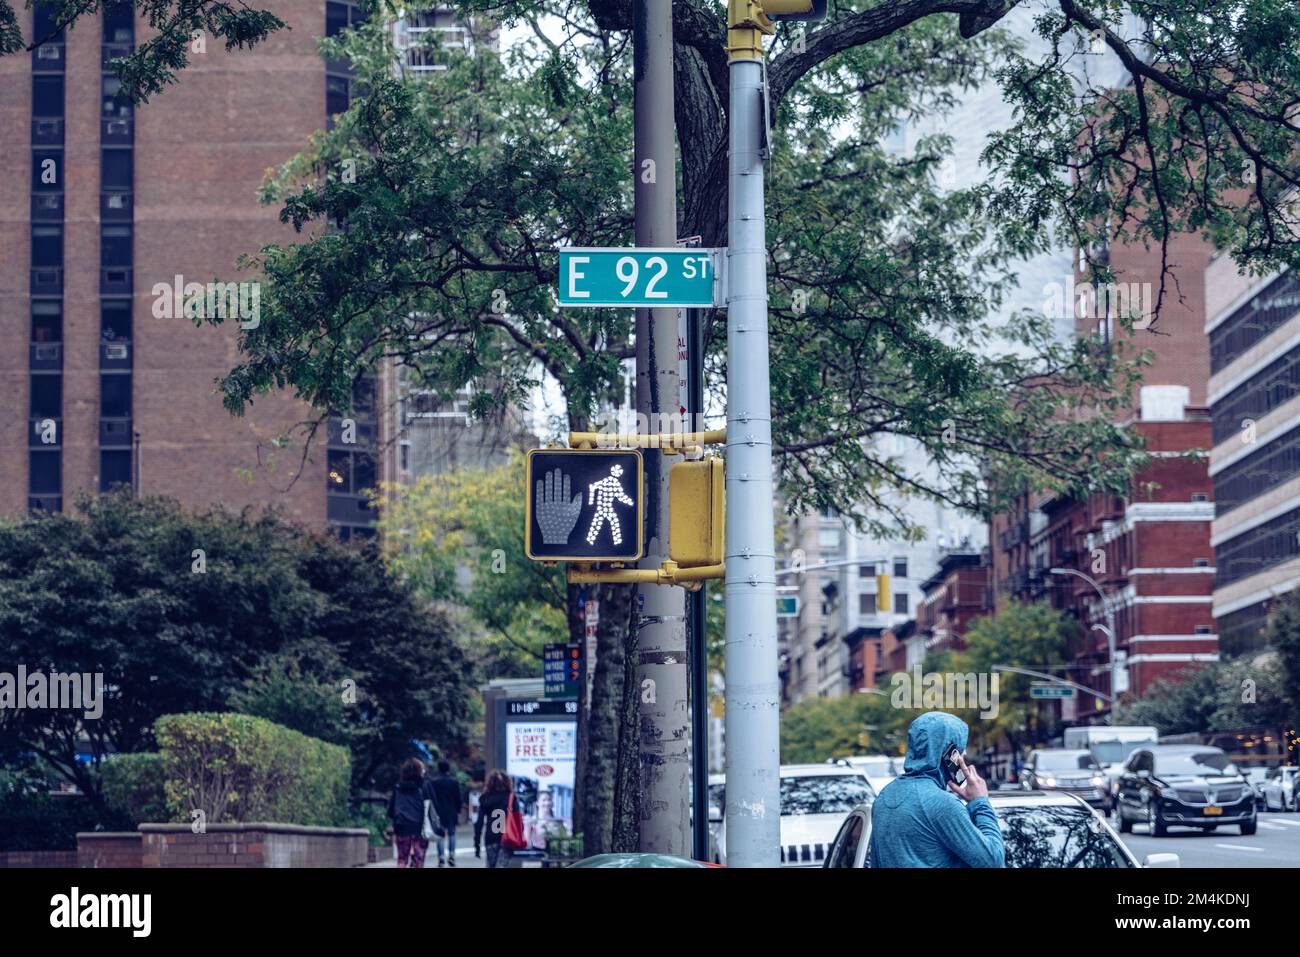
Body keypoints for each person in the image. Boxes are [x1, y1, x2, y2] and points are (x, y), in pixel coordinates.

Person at [867, 711, 1005, 868]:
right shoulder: (943, 805)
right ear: (950, 754)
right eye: (961, 749)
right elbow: (993, 861)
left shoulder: (884, 797)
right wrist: (980, 802)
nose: (964, 754)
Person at [388, 757, 432, 869]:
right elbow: (431, 807)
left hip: (402, 826)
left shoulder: (398, 788)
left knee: (402, 859)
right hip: (420, 828)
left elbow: (391, 810)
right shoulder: (424, 787)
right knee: (419, 859)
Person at [473, 769, 515, 868]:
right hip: (507, 838)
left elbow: (479, 822)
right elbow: (517, 820)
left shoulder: (485, 798)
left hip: (491, 838)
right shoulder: (510, 798)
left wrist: (477, 844)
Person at [429, 759, 466, 867]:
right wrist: (458, 809)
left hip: (438, 811)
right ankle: (452, 855)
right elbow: (458, 797)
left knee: (440, 834)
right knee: (452, 833)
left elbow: (432, 797)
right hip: (451, 810)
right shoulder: (453, 781)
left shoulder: (434, 782)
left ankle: (441, 857)